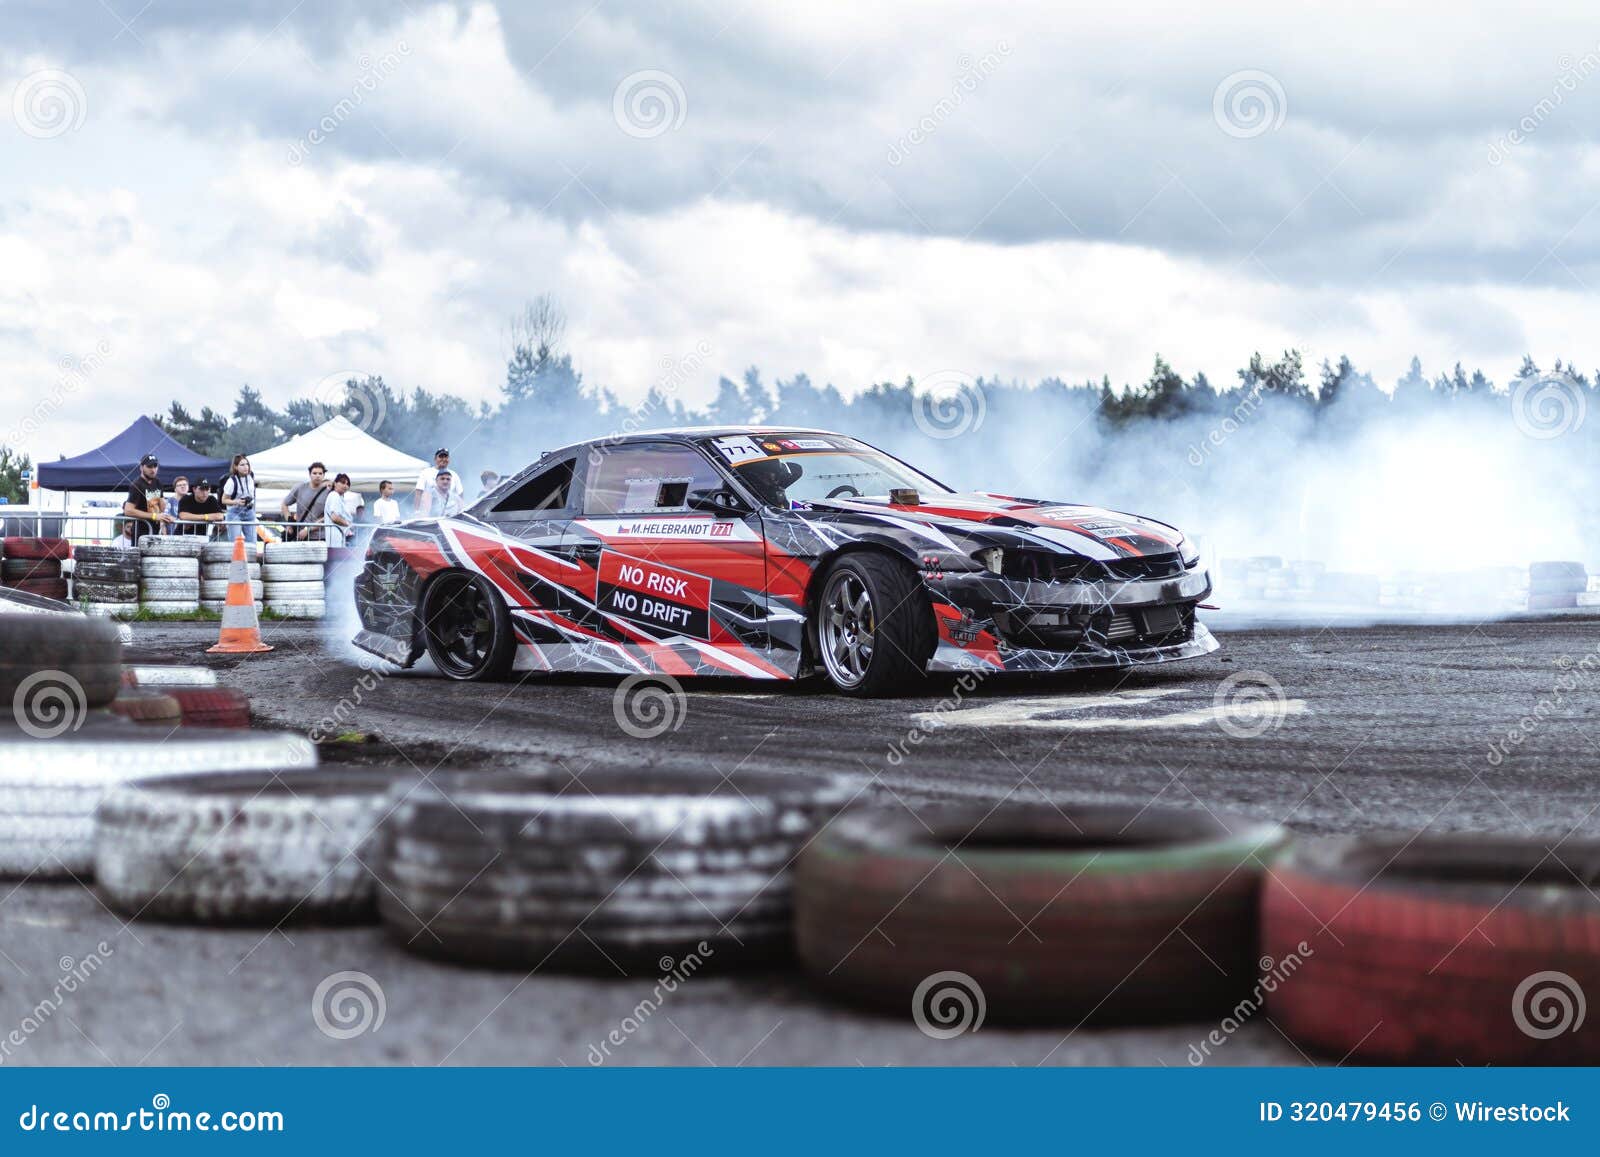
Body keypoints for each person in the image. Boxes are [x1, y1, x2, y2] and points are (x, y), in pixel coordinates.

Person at [121, 453, 175, 545]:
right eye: (149, 466)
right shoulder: (136, 485)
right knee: (140, 558)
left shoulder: (158, 482)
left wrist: (166, 516)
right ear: (141, 468)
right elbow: (128, 511)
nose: (153, 470)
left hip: (156, 531)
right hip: (141, 532)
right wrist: (154, 516)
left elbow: (162, 507)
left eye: (155, 466)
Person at [281, 461, 330, 541]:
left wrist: (308, 529)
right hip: (300, 535)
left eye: (320, 473)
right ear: (309, 474)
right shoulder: (300, 487)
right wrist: (289, 522)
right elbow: (284, 504)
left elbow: (328, 516)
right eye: (314, 473)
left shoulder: (328, 491)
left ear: (324, 475)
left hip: (320, 536)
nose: (317, 476)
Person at [220, 453, 257, 542]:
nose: (246, 467)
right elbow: (223, 500)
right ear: (236, 467)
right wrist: (236, 501)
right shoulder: (231, 481)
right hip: (234, 512)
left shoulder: (251, 476)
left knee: (252, 542)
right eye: (242, 465)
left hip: (249, 511)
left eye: (247, 464)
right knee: (235, 542)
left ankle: (249, 556)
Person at [323, 473, 356, 547]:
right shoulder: (334, 495)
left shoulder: (340, 497)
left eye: (347, 484)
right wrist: (349, 524)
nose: (345, 486)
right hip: (335, 535)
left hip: (339, 535)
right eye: (342, 482)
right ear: (335, 483)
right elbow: (334, 517)